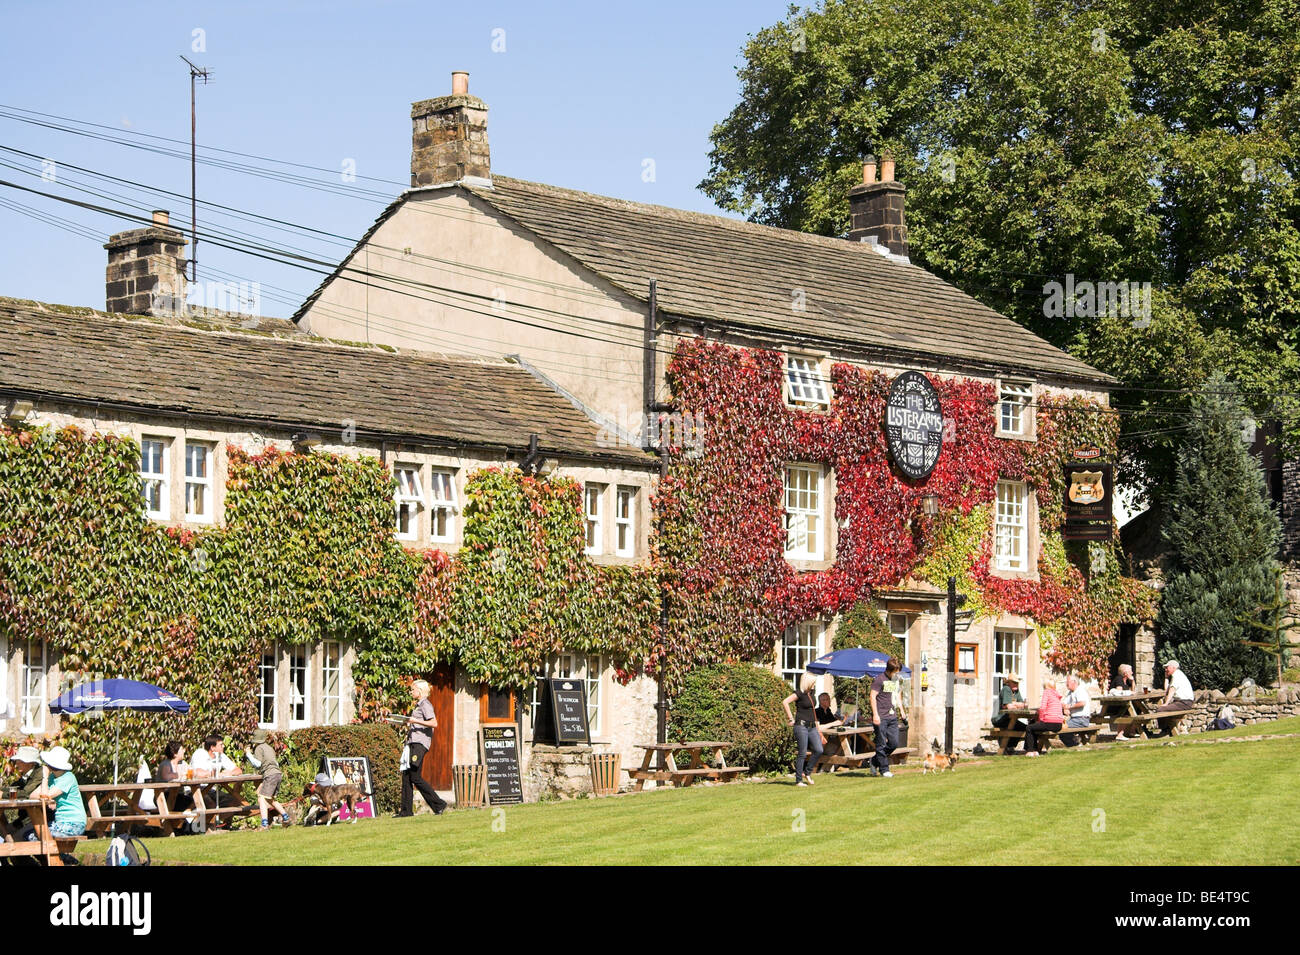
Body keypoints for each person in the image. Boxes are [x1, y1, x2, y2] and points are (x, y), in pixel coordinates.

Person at [396, 680, 447, 817]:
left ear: (420, 690)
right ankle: (406, 811)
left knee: (414, 776)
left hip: (419, 744)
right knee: (407, 775)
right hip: (412, 743)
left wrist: (414, 721)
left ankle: (439, 804)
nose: (411, 692)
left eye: (413, 690)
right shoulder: (418, 705)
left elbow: (434, 723)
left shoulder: (425, 704)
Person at [33, 746, 86, 841]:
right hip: (60, 823)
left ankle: (62, 856)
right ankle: (60, 856)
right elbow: (32, 796)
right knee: (32, 835)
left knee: (41, 836)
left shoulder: (68, 777)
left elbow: (45, 796)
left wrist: (45, 777)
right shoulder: (52, 777)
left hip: (74, 823)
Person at [782, 672, 823, 786]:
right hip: (801, 726)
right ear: (808, 682)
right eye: (813, 682)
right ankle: (798, 780)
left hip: (812, 727)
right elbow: (785, 702)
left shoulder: (811, 692)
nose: (814, 684)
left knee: (819, 750)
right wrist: (791, 719)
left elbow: (812, 711)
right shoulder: (799, 693)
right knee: (802, 753)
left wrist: (817, 726)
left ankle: (807, 772)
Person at [870, 657, 907, 778]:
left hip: (892, 716)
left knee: (894, 743)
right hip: (881, 716)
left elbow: (897, 696)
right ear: (889, 670)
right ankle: (884, 769)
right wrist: (875, 714)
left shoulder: (895, 680)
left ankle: (874, 760)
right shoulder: (879, 680)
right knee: (880, 744)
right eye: (896, 671)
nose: (897, 674)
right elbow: (872, 697)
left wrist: (902, 711)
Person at [247, 729, 288, 829]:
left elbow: (258, 764)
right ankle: (286, 817)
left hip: (270, 775)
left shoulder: (259, 748)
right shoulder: (269, 748)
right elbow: (275, 763)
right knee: (270, 799)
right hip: (277, 774)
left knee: (261, 798)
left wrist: (248, 754)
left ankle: (264, 824)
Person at [2, 746, 42, 841]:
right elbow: (12, 788)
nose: (16, 764)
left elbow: (25, 794)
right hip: (25, 819)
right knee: (6, 833)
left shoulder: (39, 774)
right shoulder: (26, 775)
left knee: (14, 840)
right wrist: (2, 791)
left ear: (31, 763)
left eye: (20, 761)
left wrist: (2, 795)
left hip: (38, 819)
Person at [1152, 659, 1195, 735]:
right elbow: (1167, 690)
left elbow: (1172, 690)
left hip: (1184, 702)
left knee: (1161, 709)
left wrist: (1166, 703)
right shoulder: (1177, 675)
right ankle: (1167, 730)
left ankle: (1164, 731)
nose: (1165, 669)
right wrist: (1166, 678)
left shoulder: (1177, 676)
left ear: (1173, 668)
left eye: (1167, 667)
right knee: (1163, 709)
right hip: (1182, 702)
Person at [1022, 679, 1064, 757]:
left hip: (1050, 723)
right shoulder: (1056, 694)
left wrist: (1041, 719)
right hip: (1058, 725)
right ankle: (1035, 750)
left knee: (1029, 727)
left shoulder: (1047, 692)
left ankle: (1030, 751)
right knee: (1034, 726)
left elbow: (1043, 708)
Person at [991, 672, 1028, 740]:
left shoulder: (1016, 691)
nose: (1016, 684)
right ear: (1009, 683)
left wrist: (1014, 704)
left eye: (1017, 683)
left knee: (1025, 727)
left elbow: (1024, 705)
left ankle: (1010, 746)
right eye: (1014, 682)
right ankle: (1007, 746)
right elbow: (1009, 707)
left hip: (1008, 718)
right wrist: (1016, 704)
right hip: (999, 718)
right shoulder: (1006, 689)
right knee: (1022, 727)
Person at [1060, 674, 1092, 747]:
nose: (1066, 684)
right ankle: (1075, 745)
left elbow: (1082, 703)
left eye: (1067, 682)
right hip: (1074, 719)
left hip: (1081, 719)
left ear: (1074, 682)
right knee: (1061, 728)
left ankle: (1075, 746)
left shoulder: (1079, 690)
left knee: (1061, 728)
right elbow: (1064, 703)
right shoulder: (1071, 692)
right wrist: (1065, 708)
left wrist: (1070, 707)